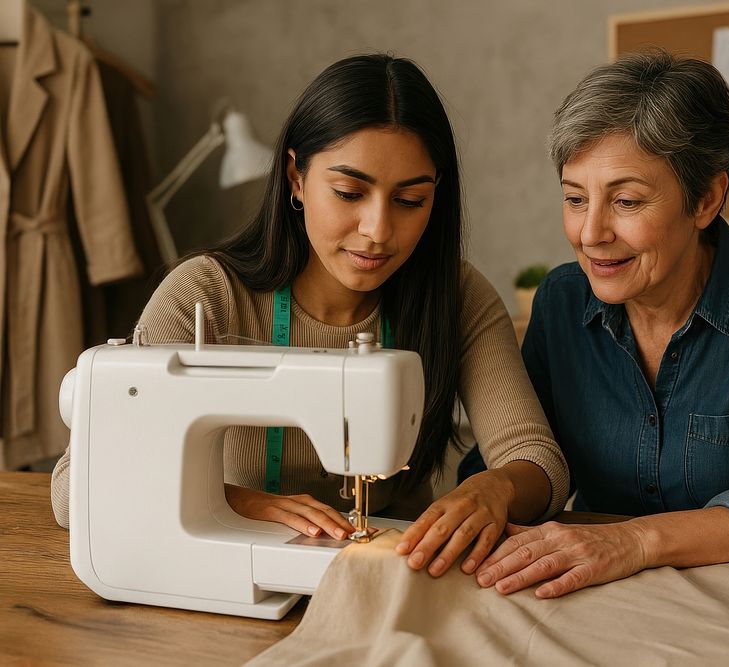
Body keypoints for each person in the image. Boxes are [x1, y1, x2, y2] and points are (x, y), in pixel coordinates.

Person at [51, 54, 569, 579]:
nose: (377, 229)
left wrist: (495, 486)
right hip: (224, 580)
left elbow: (537, 460)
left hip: (395, 582)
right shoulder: (204, 297)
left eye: (411, 200)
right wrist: (229, 502)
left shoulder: (456, 296)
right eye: (349, 193)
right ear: (296, 178)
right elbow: (75, 487)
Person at [470, 50, 729, 599]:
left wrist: (636, 542)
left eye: (627, 201)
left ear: (706, 198)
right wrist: (488, 489)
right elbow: (525, 453)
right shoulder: (562, 301)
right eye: (573, 198)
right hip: (595, 600)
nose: (590, 233)